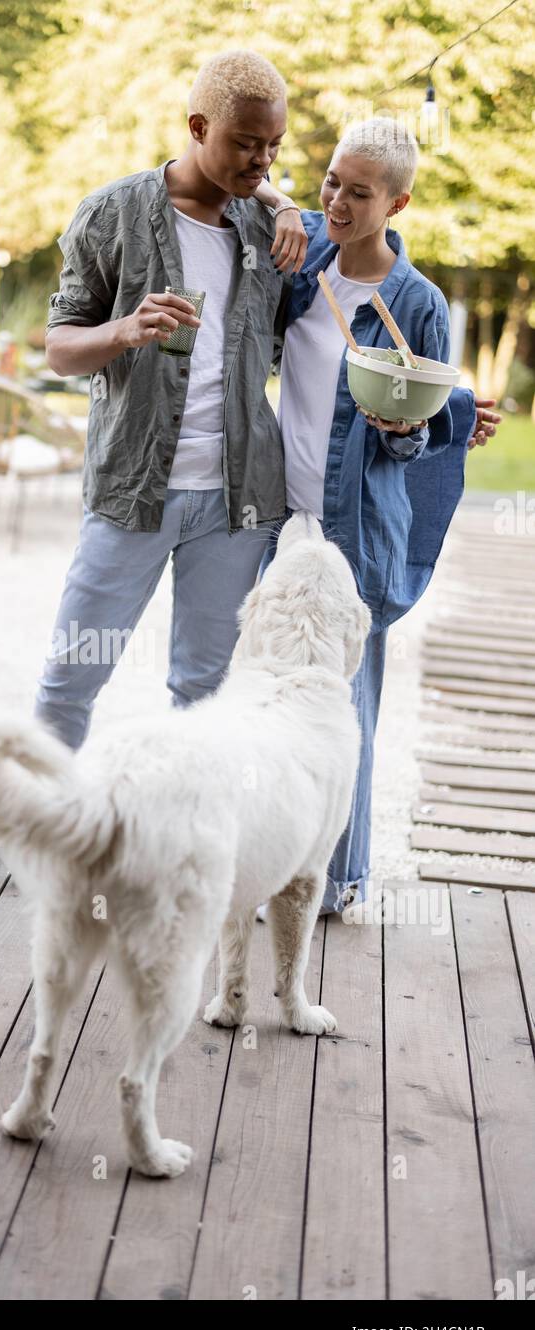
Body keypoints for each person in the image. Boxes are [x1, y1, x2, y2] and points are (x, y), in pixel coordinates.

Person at [253, 117, 500, 913]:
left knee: (341, 708)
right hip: (280, 518)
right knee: (266, 698)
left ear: (397, 202)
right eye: (329, 182)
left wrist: (412, 429)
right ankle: (263, 865)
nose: (336, 201)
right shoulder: (301, 266)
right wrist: (284, 204)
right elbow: (232, 184)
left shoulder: (419, 302)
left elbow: (420, 435)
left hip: (356, 529)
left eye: (358, 193)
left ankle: (334, 880)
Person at [34, 50, 295, 749]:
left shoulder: (270, 230)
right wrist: (122, 330)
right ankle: (31, 846)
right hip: (134, 490)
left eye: (273, 146)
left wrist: (287, 202)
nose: (261, 161)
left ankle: (186, 844)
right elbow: (59, 348)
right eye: (245, 143)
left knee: (204, 689)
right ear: (197, 126)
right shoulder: (112, 213)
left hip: (237, 498)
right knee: (71, 676)